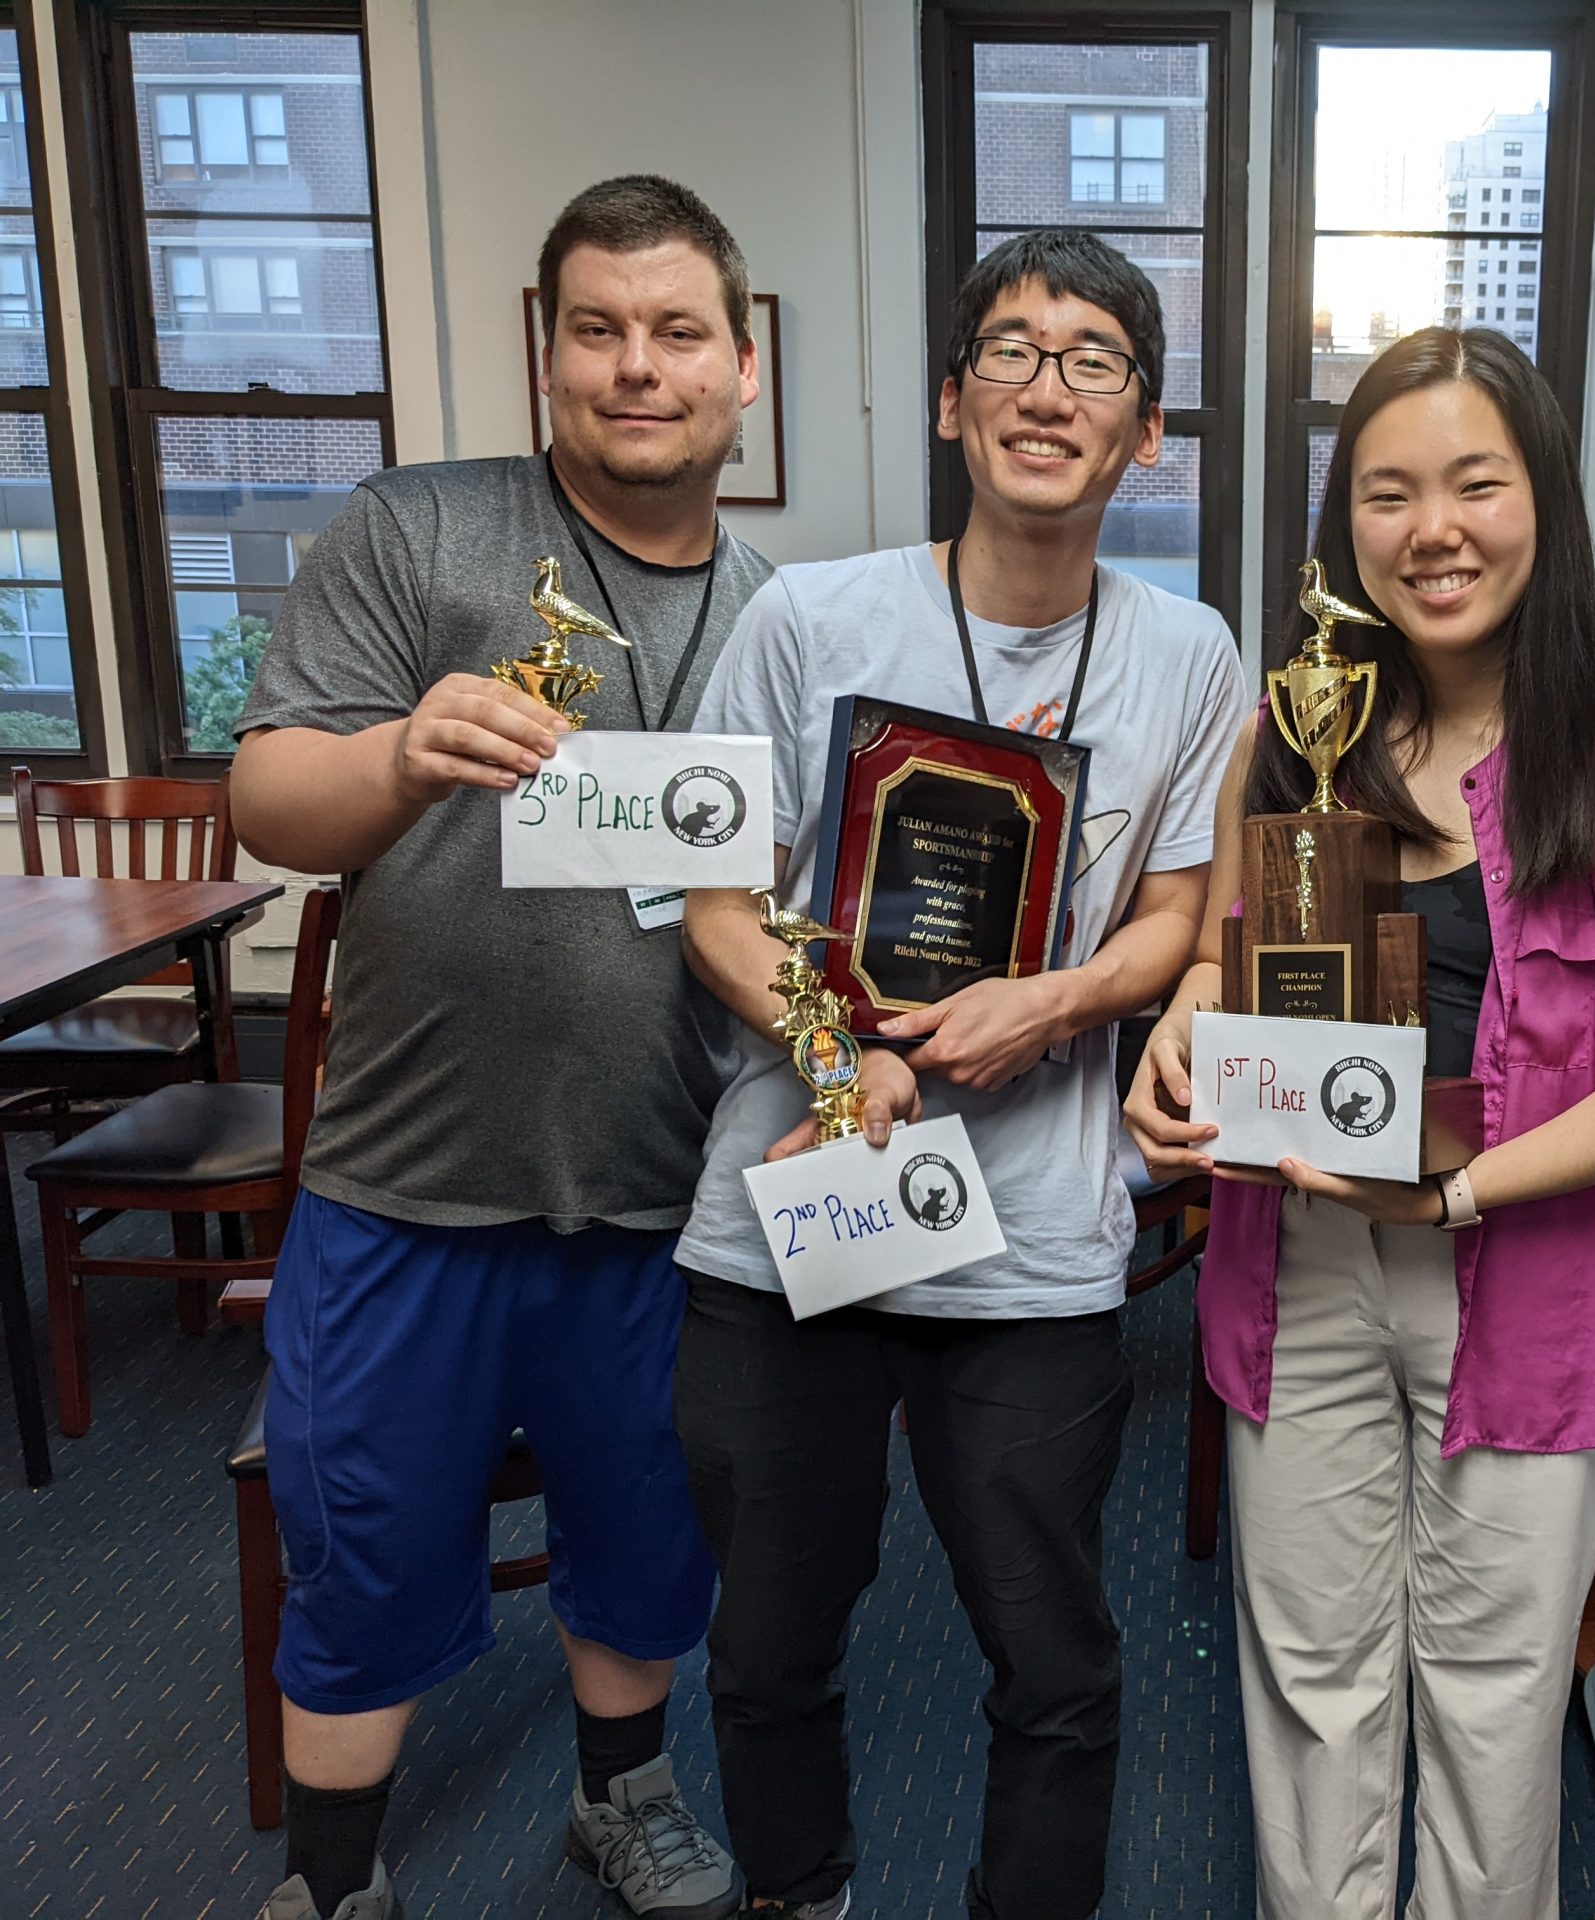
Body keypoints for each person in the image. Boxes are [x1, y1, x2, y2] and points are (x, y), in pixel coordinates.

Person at [670, 227, 1249, 1920]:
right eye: (1009, 350)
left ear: (1145, 432)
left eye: (1092, 361)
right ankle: (799, 1891)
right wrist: (836, 1041)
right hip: (799, 1210)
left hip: (1034, 1243)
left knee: (1051, 1658)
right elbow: (712, 904)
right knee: (768, 1636)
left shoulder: (1189, 656)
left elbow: (1171, 921)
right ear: (950, 401)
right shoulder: (808, 618)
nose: (1044, 386)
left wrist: (1051, 1006)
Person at [230, 175, 771, 1920]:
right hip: (411, 1181)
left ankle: (624, 1797)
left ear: (741, 367)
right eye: (596, 329)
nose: (638, 367)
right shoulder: (419, 532)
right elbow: (267, 801)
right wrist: (398, 753)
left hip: (655, 1188)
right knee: (365, 1541)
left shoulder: (785, 614)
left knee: (644, 1531)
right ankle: (333, 1882)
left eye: (677, 332)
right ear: (545, 352)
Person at [1124, 326, 1595, 1919]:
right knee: (1313, 1683)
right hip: (1297, 1258)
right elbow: (1218, 958)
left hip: (1517, 1276)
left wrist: (1449, 1202)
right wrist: (1176, 1041)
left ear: (1544, 505)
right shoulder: (1296, 732)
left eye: (1476, 484)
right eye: (1388, 494)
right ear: (1347, 523)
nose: (1432, 529)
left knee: (1493, 1700)